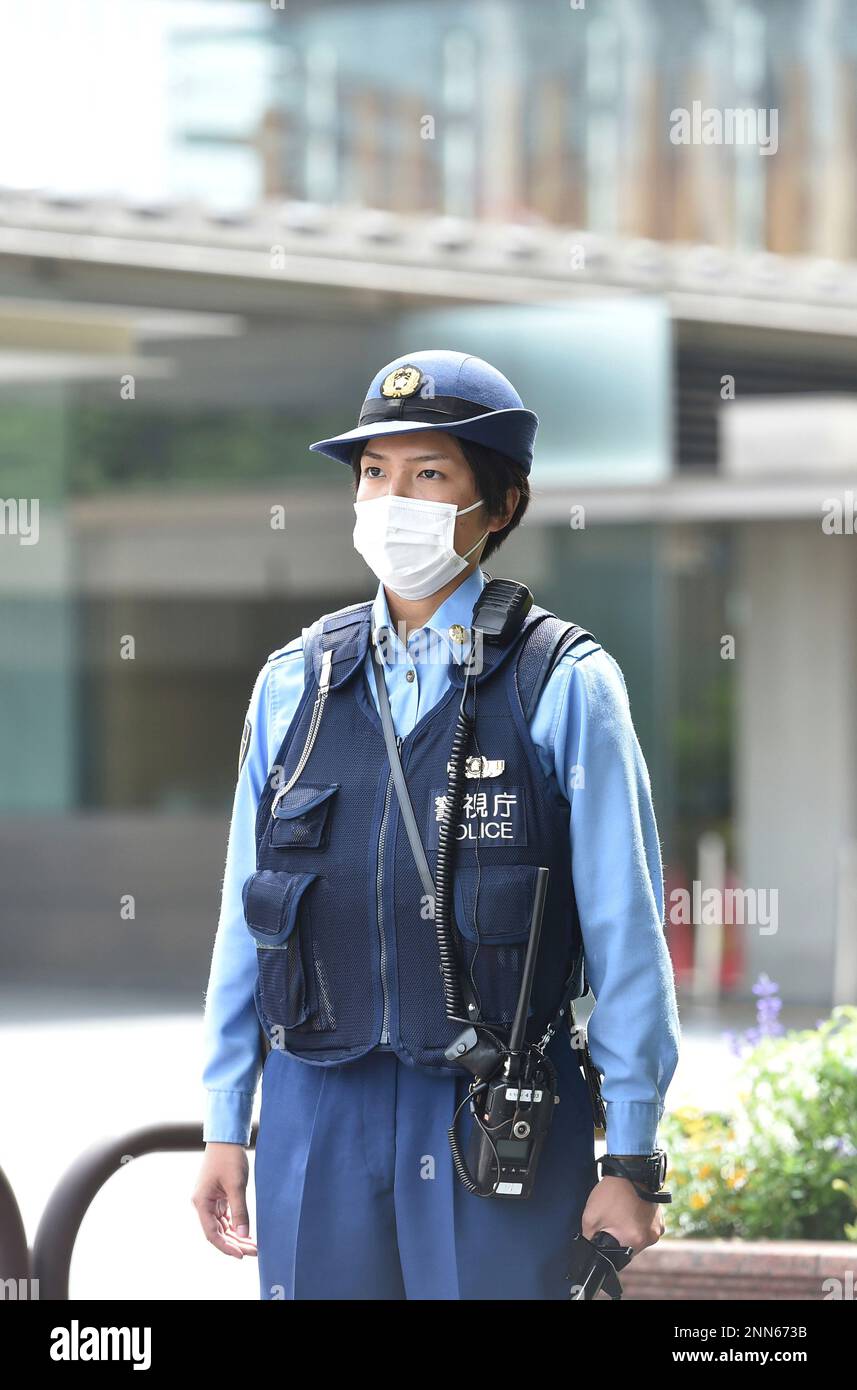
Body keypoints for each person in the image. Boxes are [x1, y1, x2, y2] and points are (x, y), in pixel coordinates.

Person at [192, 349, 681, 1300]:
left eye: (429, 473)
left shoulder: (565, 684)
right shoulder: (295, 681)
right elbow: (239, 926)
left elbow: (626, 936)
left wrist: (630, 1159)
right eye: (374, 473)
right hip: (313, 1109)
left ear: (497, 507)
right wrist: (224, 1121)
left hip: (491, 1116)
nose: (390, 499)